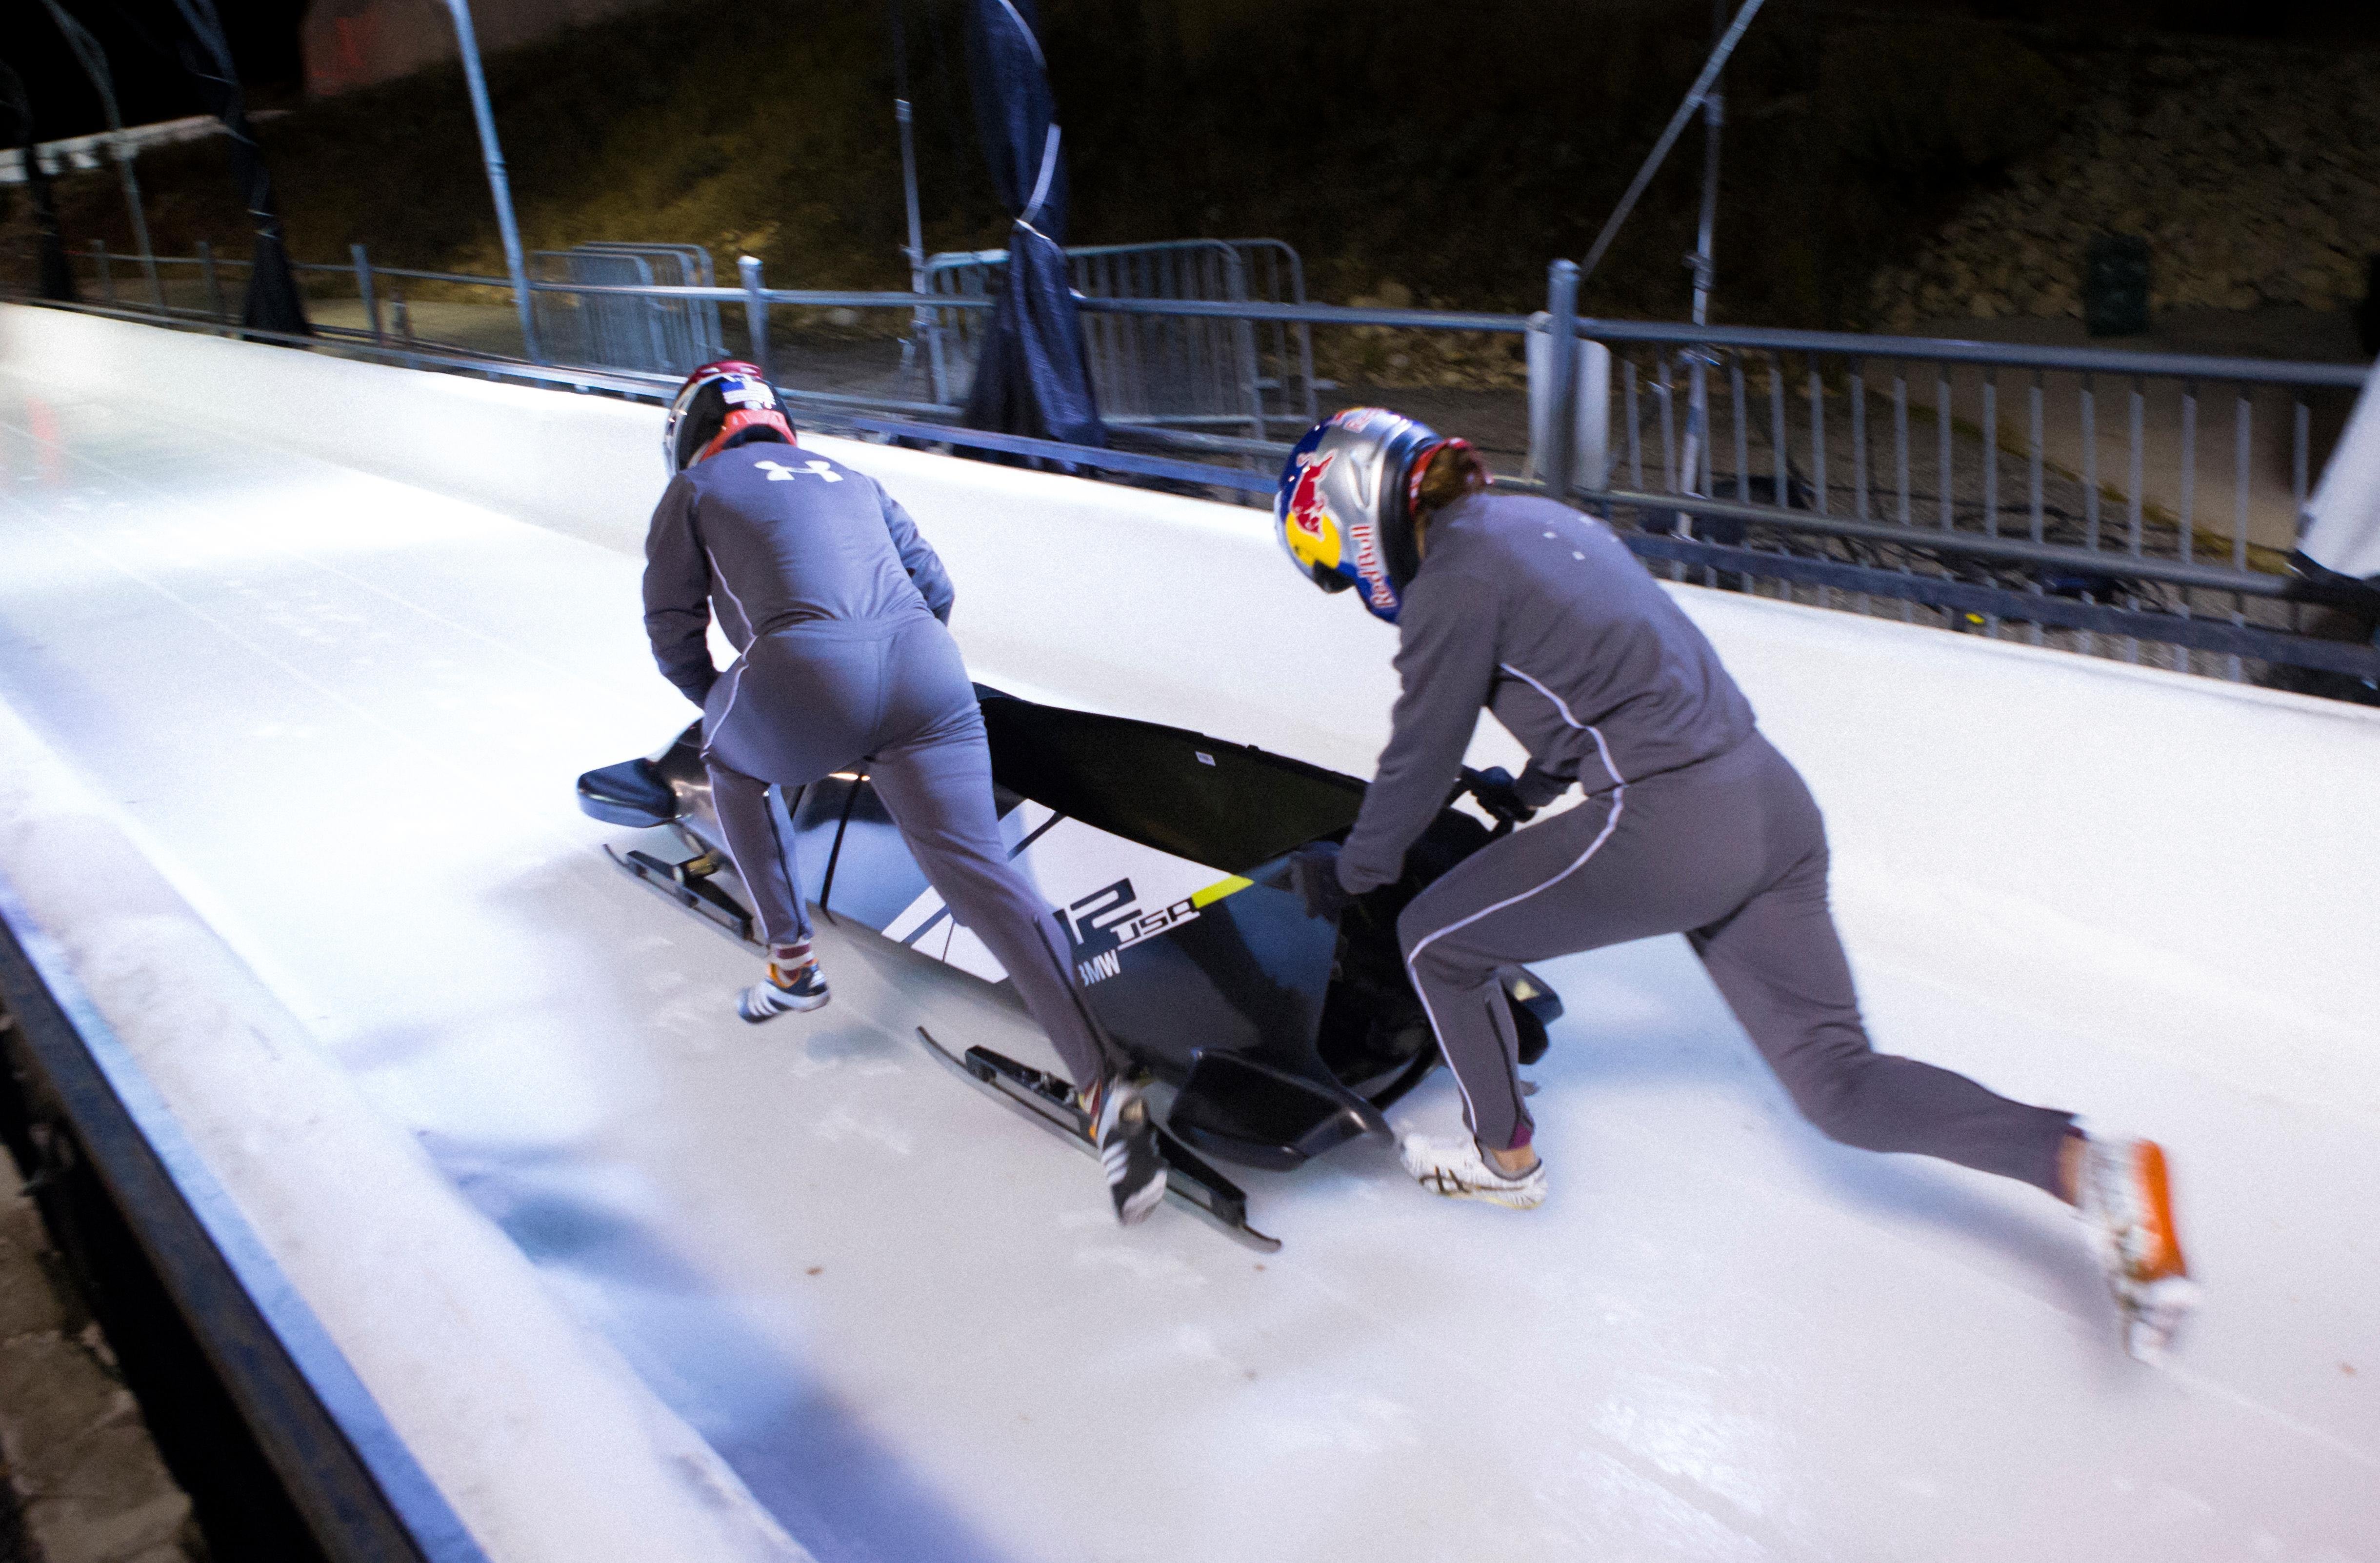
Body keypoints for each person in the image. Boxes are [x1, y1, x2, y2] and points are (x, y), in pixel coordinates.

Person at [1272, 406, 2197, 1360]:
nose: (1354, 582)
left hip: (1668, 818)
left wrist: (1355, 871)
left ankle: (1502, 1159)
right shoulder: (1537, 522)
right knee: (1838, 1085)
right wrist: (1534, 787)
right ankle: (2089, 1170)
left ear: (1349, 511)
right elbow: (1612, 665)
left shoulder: (1449, 583)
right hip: (1767, 799)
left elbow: (1420, 755)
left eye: (1338, 562)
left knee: (1435, 940)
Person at [640, 361, 1165, 1225]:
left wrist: (746, 705)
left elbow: (671, 632)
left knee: (729, 763)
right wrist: (894, 690)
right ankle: (1105, 1084)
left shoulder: (695, 487)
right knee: (985, 881)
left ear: (691, 434)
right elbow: (939, 590)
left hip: (803, 673)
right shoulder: (853, 475)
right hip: (929, 672)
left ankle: (793, 963)